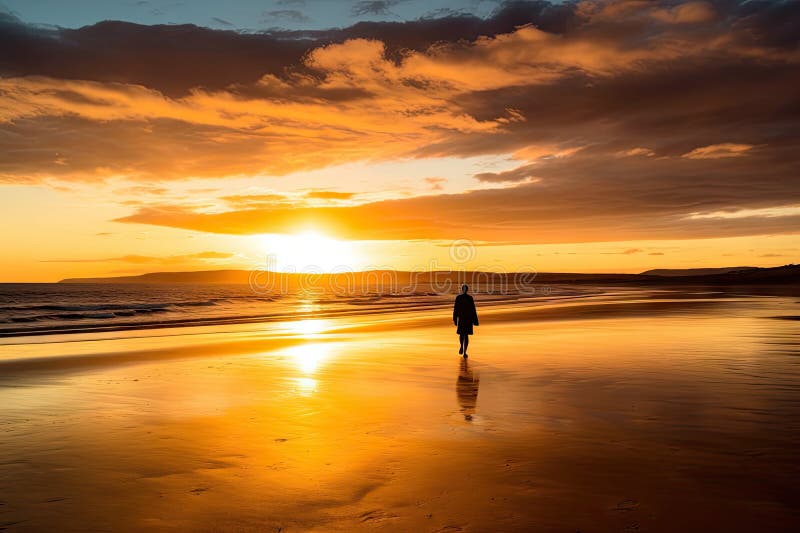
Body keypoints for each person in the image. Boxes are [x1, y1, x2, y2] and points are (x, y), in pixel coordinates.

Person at [453, 283, 478, 357]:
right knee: (463, 335)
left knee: (464, 335)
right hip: (464, 318)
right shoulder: (461, 298)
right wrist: (454, 318)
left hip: (466, 318)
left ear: (466, 290)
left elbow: (473, 309)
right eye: (464, 289)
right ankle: (462, 347)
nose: (464, 290)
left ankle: (464, 351)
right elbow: (456, 309)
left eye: (465, 289)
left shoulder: (467, 298)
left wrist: (475, 319)